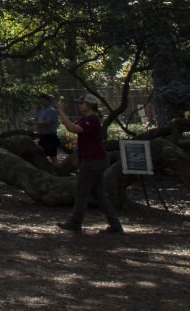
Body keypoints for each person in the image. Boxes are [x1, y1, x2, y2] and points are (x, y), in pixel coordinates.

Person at [57, 94, 123, 234]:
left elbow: (73, 129)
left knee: (82, 191)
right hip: (93, 159)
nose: (79, 105)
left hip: (94, 161)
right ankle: (115, 224)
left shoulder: (92, 120)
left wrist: (62, 113)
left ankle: (75, 221)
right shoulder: (87, 119)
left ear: (88, 105)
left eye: (81, 103)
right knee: (98, 193)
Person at [28, 93, 62, 163]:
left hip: (50, 136)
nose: (41, 102)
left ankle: (57, 170)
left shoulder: (52, 111)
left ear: (48, 101)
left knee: (52, 155)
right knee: (41, 154)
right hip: (43, 136)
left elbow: (48, 122)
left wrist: (35, 123)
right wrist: (30, 120)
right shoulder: (41, 110)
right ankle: (48, 168)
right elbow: (36, 119)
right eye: (40, 101)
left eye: (43, 101)